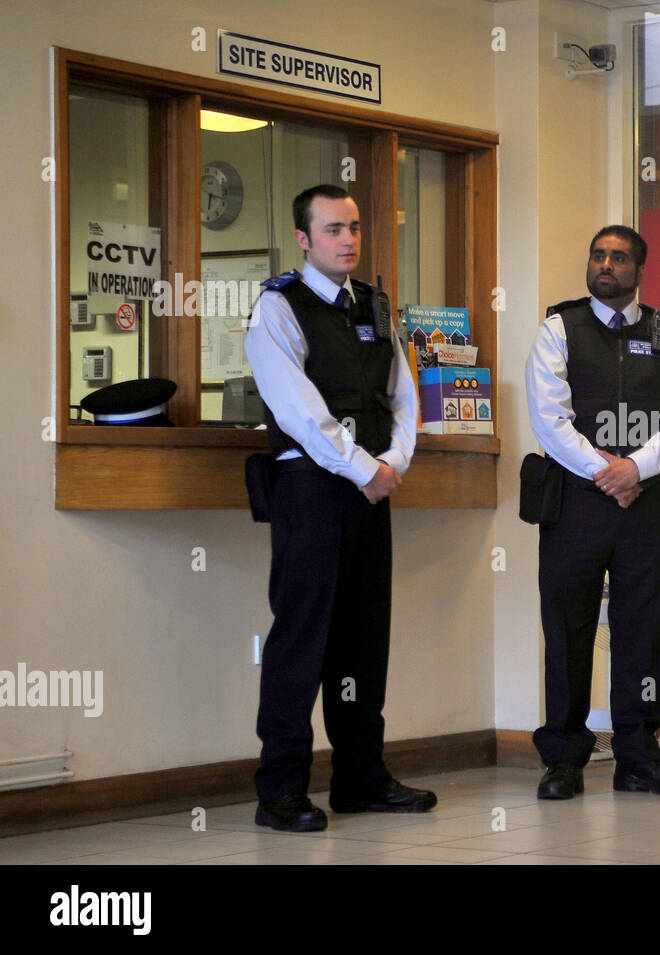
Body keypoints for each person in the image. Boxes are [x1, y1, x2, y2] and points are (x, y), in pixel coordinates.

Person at [243, 184, 435, 832]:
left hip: (371, 488)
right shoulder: (279, 306)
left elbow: (402, 394)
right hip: (311, 490)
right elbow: (299, 409)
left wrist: (393, 465)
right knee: (303, 637)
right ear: (303, 238)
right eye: (332, 229)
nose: (347, 239)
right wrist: (363, 467)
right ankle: (281, 787)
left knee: (362, 636)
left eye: (353, 226)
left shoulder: (374, 305)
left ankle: (359, 775)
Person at [525, 225, 660, 799]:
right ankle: (564, 758)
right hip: (575, 507)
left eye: (619, 257)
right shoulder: (559, 329)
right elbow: (549, 420)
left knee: (646, 633)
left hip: (646, 505)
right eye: (599, 255)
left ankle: (639, 755)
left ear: (638, 270)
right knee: (568, 631)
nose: (606, 264)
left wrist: (636, 470)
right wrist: (607, 473)